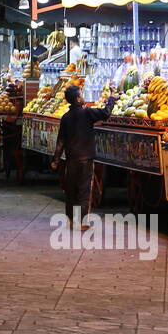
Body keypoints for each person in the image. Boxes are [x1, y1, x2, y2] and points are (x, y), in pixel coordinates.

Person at [51, 84, 116, 229]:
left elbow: (60, 141)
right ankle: (82, 221)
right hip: (86, 158)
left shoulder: (65, 117)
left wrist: (55, 159)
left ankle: (70, 220)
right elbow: (105, 113)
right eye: (81, 94)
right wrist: (112, 98)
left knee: (70, 189)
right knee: (84, 189)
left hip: (71, 159)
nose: (83, 96)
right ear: (78, 99)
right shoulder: (87, 113)